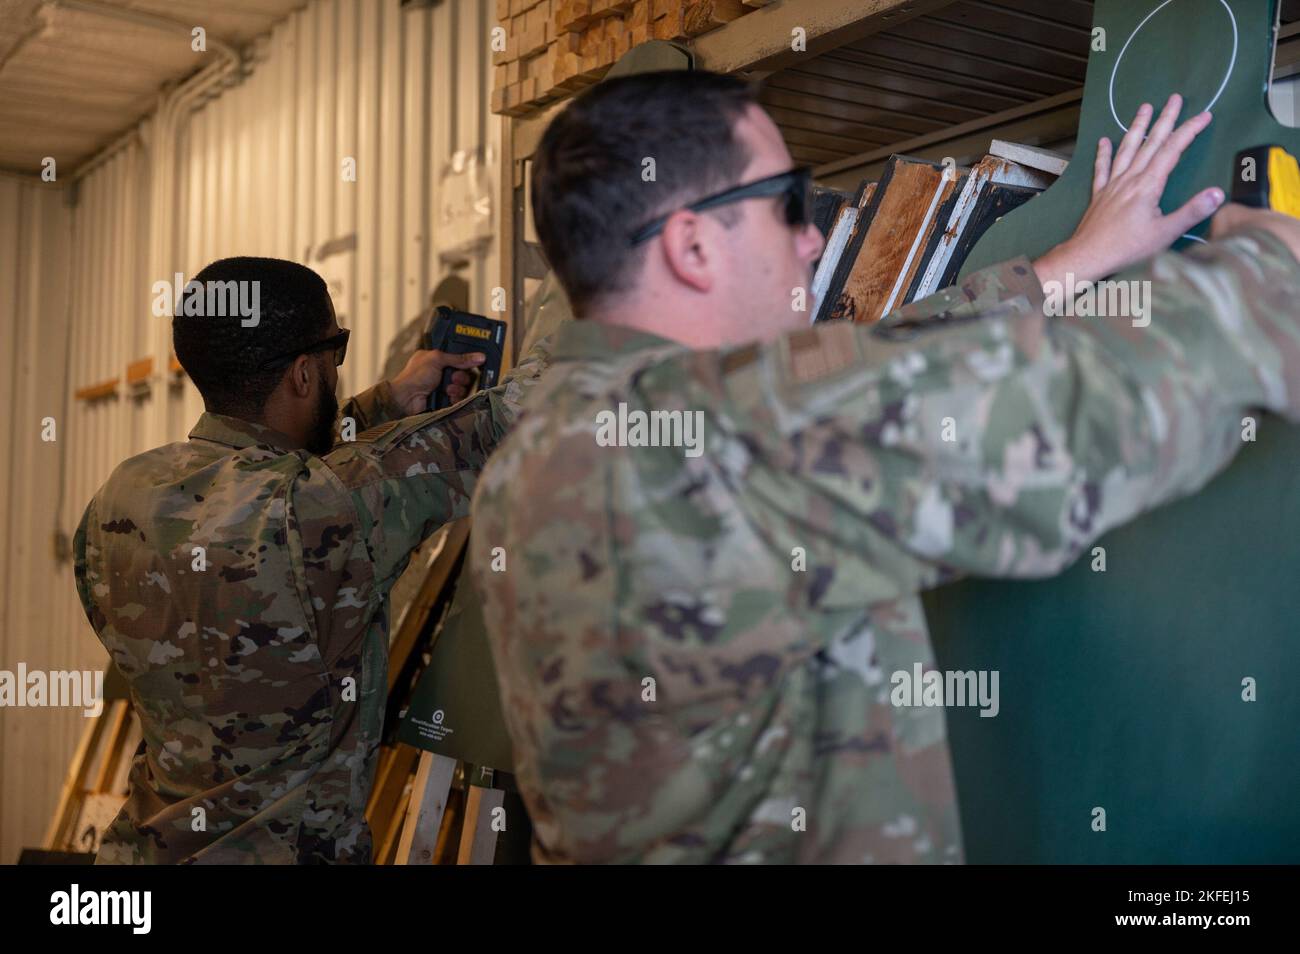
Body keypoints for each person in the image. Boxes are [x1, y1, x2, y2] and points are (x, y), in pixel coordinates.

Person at [468, 70, 1300, 863]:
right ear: (691, 244)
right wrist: (1267, 271)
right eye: (789, 204)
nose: (814, 236)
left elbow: (860, 375)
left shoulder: (552, 439)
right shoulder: (703, 434)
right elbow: (1069, 416)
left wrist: (1067, 266)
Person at [74, 256, 550, 863]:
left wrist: (384, 403)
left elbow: (269, 478)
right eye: (335, 352)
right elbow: (518, 419)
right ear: (304, 373)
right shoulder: (323, 510)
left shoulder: (123, 496)